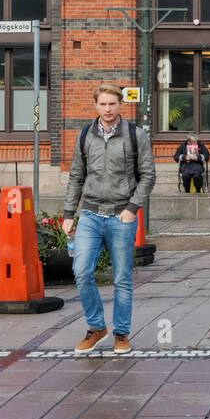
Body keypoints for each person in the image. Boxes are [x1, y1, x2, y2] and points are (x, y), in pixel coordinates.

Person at [64, 82, 157, 355]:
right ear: (95, 105)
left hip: (121, 215)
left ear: (120, 105)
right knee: (81, 272)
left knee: (122, 278)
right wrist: (69, 214)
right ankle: (96, 327)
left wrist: (132, 207)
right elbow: (76, 177)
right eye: (103, 104)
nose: (107, 109)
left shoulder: (135, 135)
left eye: (112, 104)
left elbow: (148, 176)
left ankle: (121, 333)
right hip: (90, 214)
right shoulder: (85, 136)